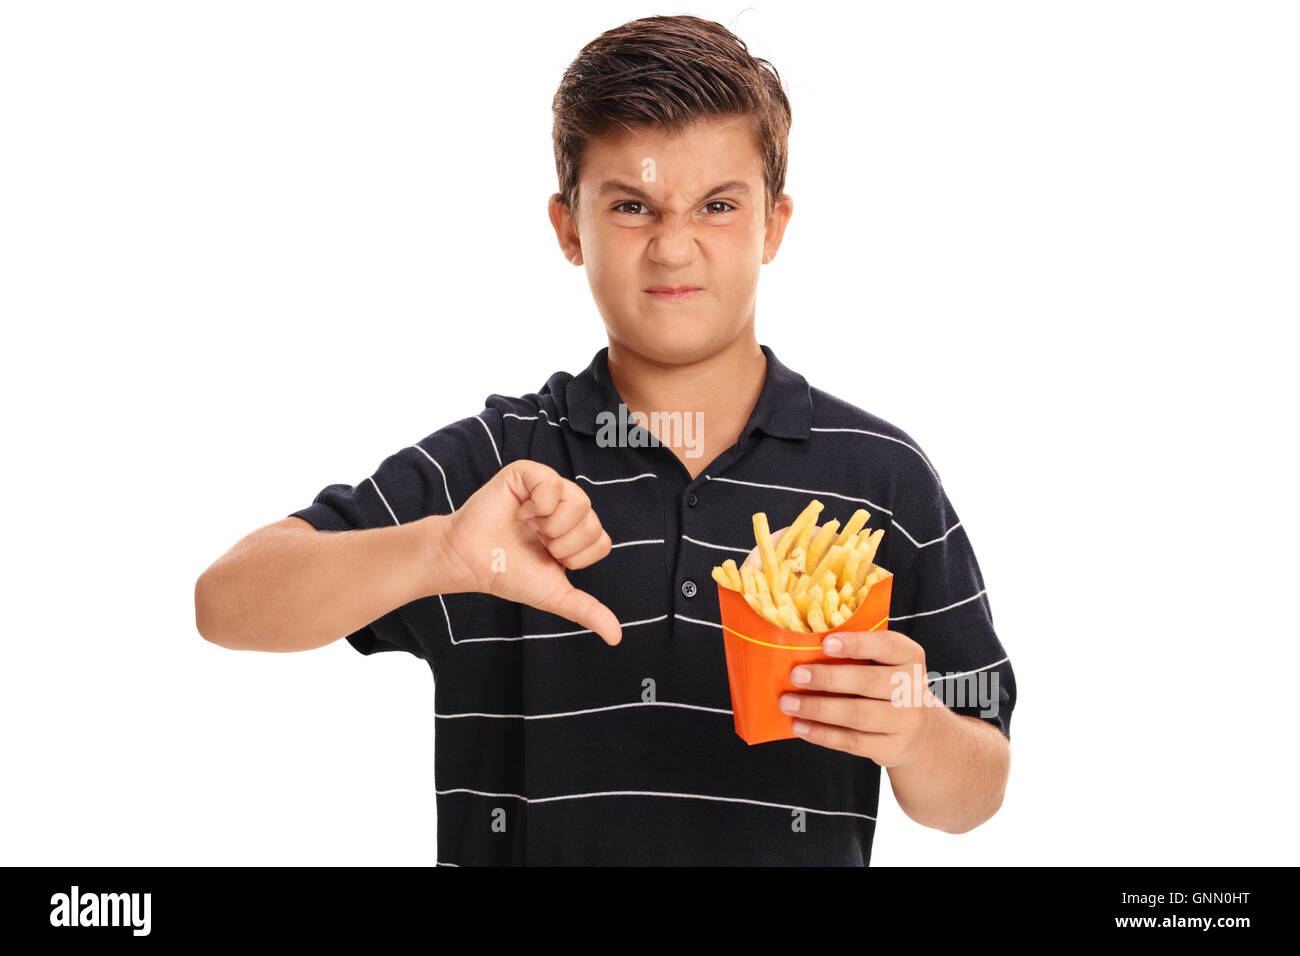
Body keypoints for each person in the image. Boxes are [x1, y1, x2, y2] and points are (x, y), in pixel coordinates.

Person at [195, 14, 1015, 866]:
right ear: (568, 227)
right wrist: (441, 552)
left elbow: (979, 785)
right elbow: (225, 602)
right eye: (631, 206)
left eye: (718, 206)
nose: (672, 245)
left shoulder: (879, 476)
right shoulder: (497, 469)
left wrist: (915, 733)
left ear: (774, 225)